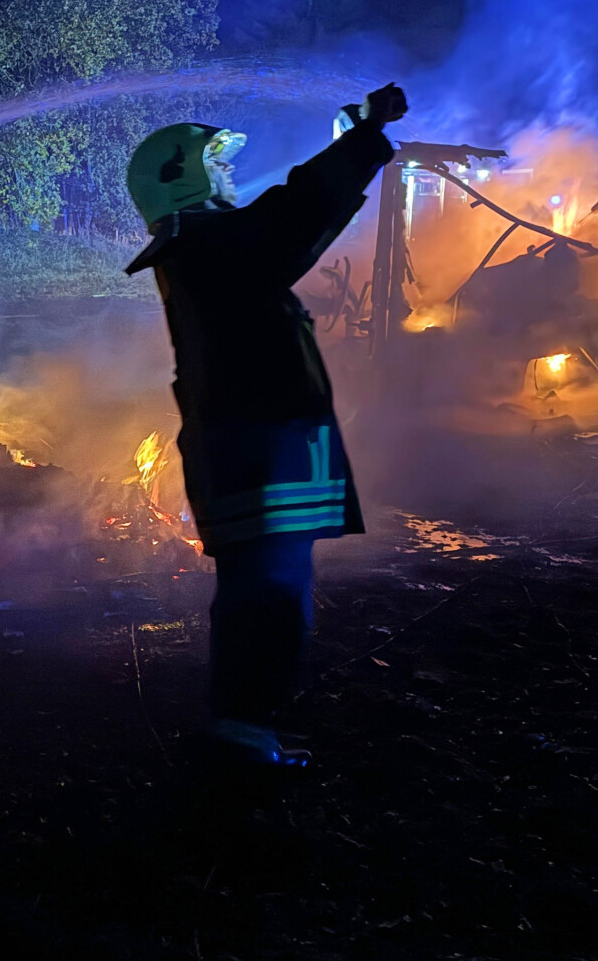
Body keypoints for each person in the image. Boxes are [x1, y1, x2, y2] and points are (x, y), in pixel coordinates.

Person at [124, 83, 408, 768]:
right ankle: (241, 743)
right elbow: (289, 222)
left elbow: (276, 226)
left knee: (271, 588)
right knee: (270, 594)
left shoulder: (204, 244)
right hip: (259, 450)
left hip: (262, 447)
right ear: (179, 178)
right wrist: (359, 142)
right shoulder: (200, 242)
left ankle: (245, 728)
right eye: (214, 162)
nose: (227, 170)